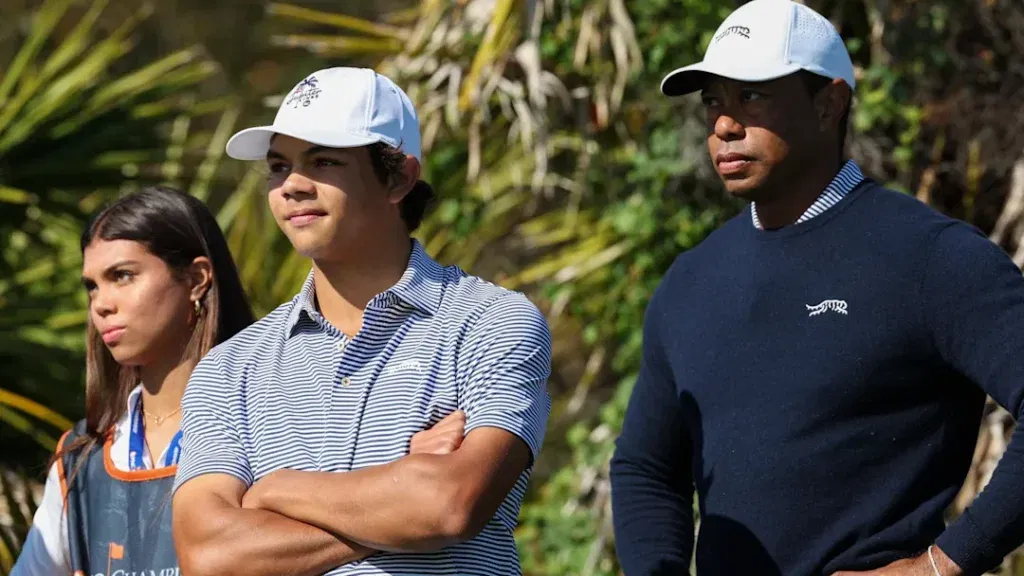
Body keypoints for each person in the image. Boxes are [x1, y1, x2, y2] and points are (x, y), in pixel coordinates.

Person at [610, 1, 1024, 575]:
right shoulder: (691, 281)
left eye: (751, 96)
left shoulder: (931, 257)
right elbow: (647, 467)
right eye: (713, 102)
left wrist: (943, 563)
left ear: (829, 104)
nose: (725, 125)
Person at [170, 66, 552, 576]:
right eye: (279, 166)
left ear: (399, 177)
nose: (292, 187)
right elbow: (209, 557)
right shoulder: (229, 369)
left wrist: (273, 491)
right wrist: (400, 486)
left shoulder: (493, 322)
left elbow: (450, 505)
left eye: (323, 161)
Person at [10, 186, 256, 575]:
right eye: (92, 285)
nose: (101, 304)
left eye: (122, 276)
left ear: (196, 278)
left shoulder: (269, 427)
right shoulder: (80, 458)